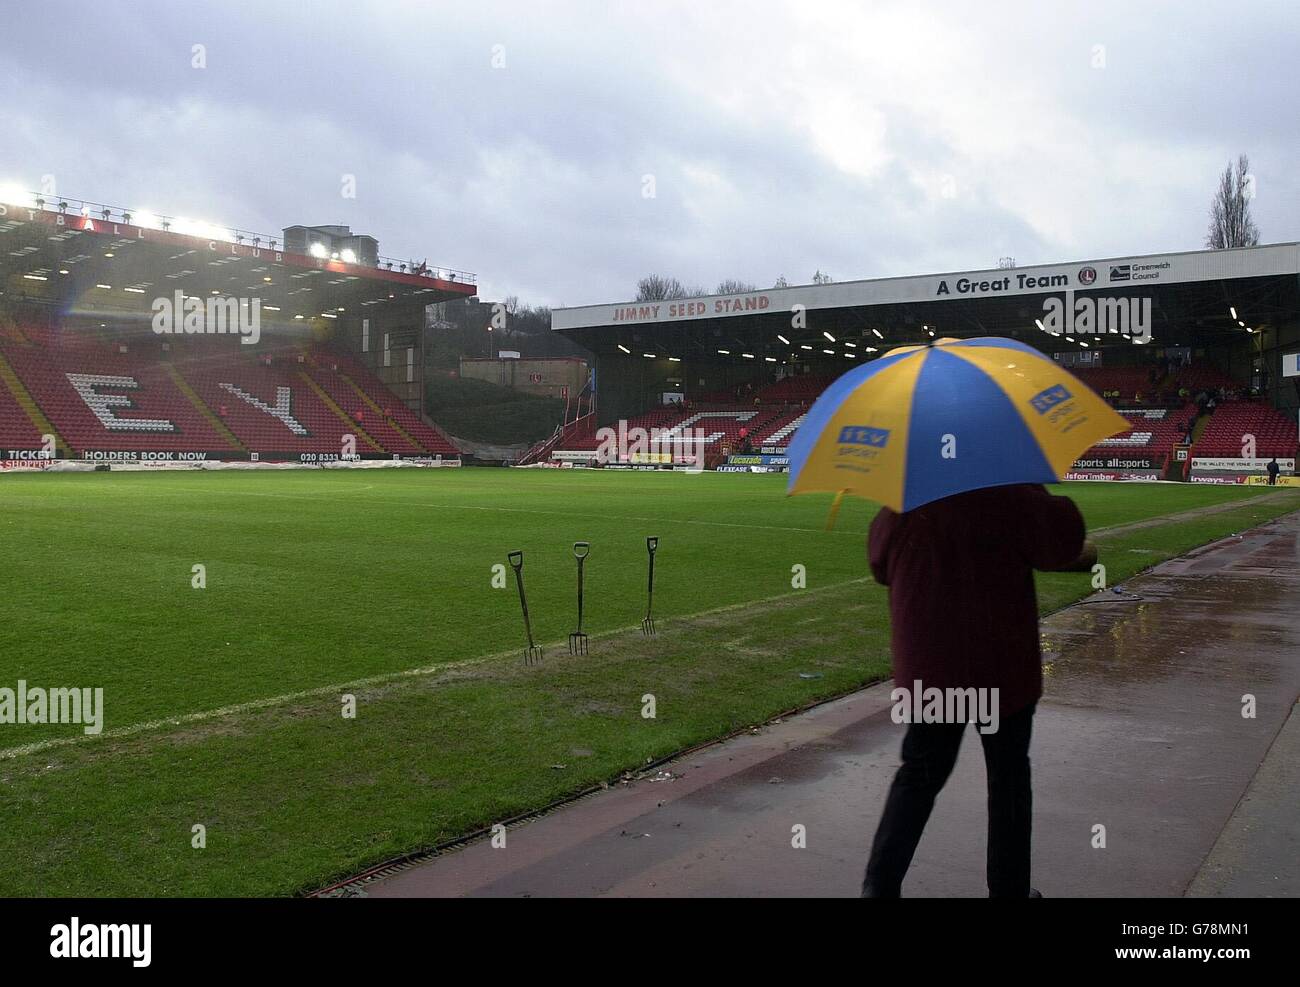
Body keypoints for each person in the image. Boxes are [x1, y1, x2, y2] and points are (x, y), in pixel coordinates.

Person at [862, 483, 1094, 898]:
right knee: (1008, 781)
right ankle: (1009, 891)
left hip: (931, 666)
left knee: (917, 777)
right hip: (1001, 666)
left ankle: (878, 889)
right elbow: (1063, 544)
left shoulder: (905, 498)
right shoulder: (1012, 491)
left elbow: (879, 563)